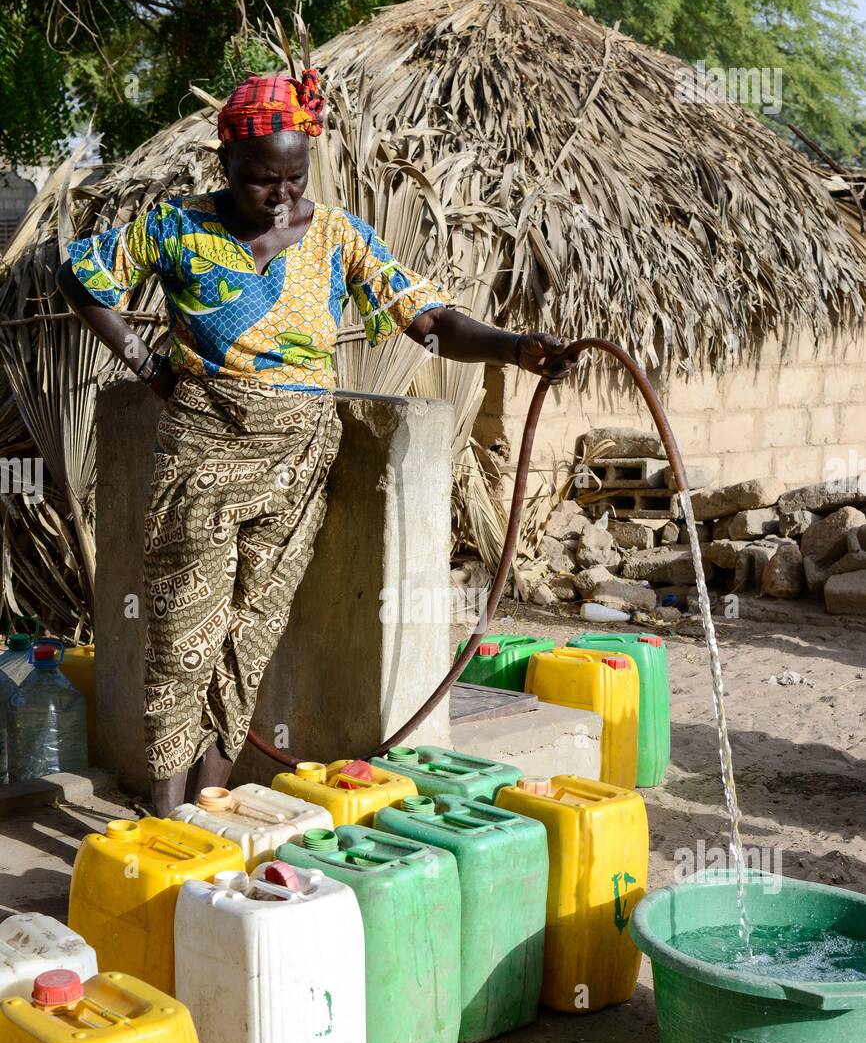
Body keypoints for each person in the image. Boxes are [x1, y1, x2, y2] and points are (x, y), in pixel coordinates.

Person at [57, 70, 578, 814]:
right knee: (179, 634)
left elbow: (428, 320)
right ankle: (162, 813)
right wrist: (145, 364)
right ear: (225, 164)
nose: (282, 196)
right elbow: (79, 274)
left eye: (295, 178)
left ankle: (211, 808)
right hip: (201, 454)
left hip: (299, 463)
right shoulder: (177, 227)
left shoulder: (336, 235)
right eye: (263, 180)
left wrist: (516, 346)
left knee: (249, 636)